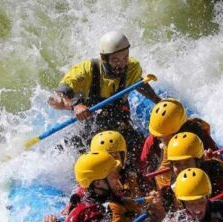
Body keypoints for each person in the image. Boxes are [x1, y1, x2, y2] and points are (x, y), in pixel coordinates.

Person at [48, 31, 162, 161]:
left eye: (125, 57)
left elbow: (139, 83)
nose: (122, 64)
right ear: (104, 58)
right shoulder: (85, 71)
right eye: (116, 60)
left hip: (120, 123)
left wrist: (158, 101)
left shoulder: (132, 67)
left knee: (143, 154)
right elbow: (53, 99)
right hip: (91, 127)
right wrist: (75, 106)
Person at [42, 130, 153, 222]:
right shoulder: (86, 189)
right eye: (105, 158)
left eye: (114, 157)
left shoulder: (135, 177)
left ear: (123, 156)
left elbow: (151, 201)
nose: (109, 163)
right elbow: (69, 219)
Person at [158, 132, 223, 205]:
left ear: (198, 162)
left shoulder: (215, 174)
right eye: (177, 164)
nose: (183, 168)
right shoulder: (171, 189)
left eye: (187, 162)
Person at [138, 98, 221, 177]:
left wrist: (209, 160)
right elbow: (143, 171)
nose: (158, 137)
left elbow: (220, 167)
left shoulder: (199, 136)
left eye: (162, 137)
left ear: (177, 132)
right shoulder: (153, 141)